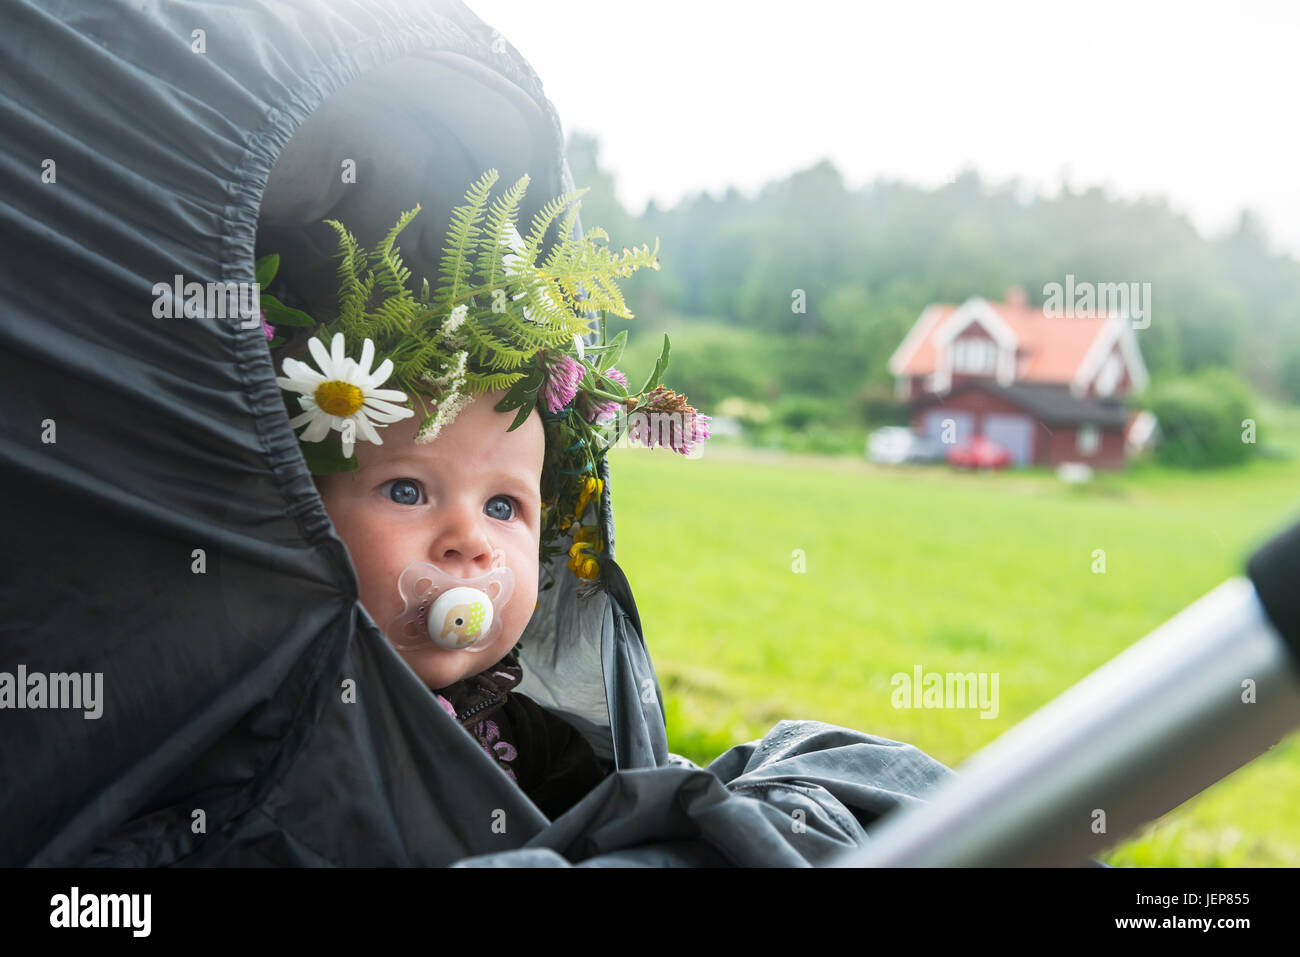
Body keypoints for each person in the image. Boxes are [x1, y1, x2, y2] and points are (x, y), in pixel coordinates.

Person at [310, 387, 609, 819]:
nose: (471, 541)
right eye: (406, 492)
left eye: (502, 507)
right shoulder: (260, 714)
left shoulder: (544, 753)